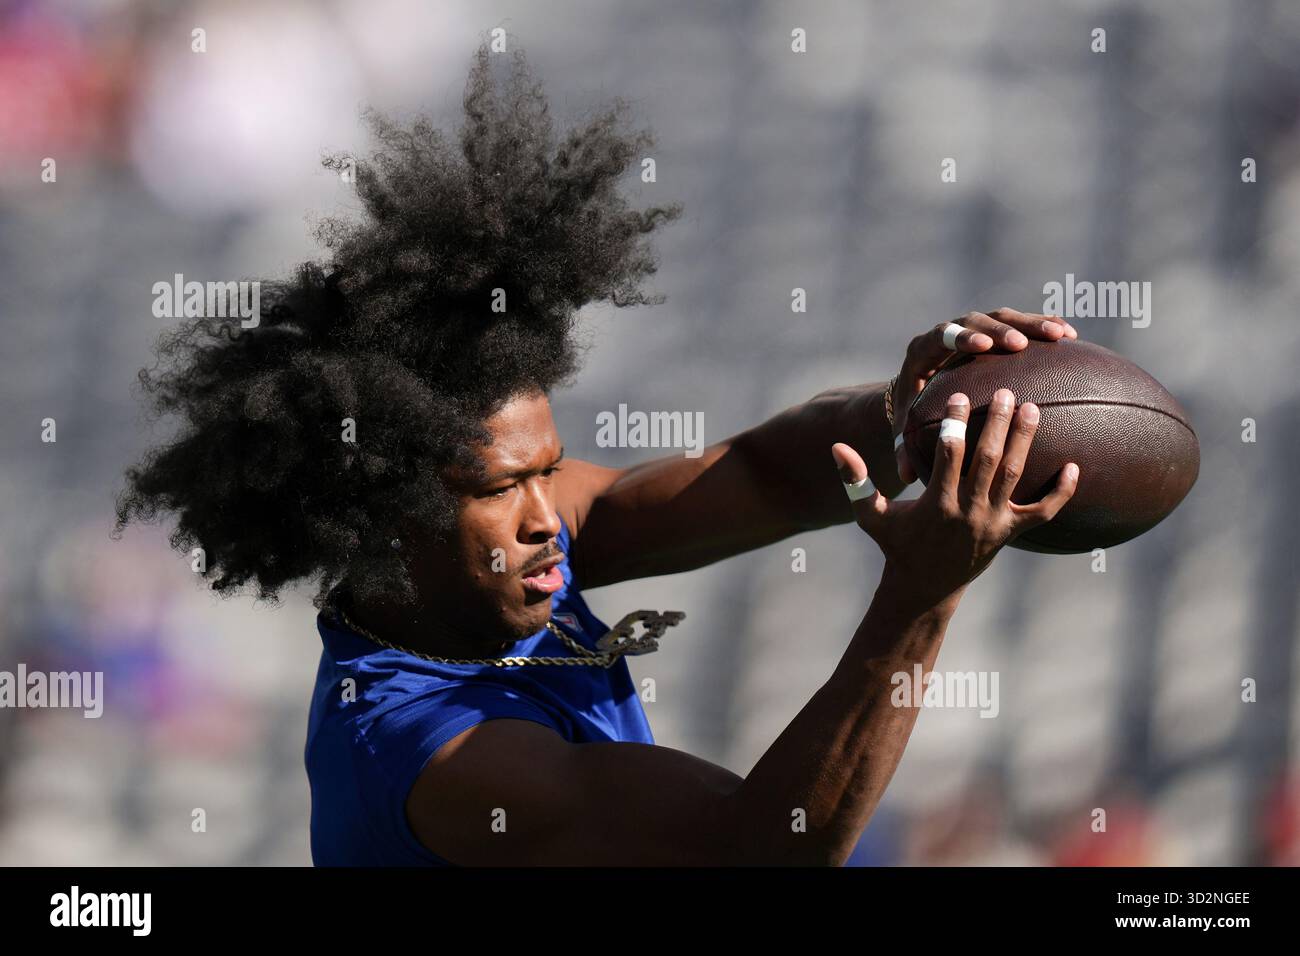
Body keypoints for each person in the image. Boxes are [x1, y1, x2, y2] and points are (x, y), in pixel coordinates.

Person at [115, 43, 1079, 866]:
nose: (547, 514)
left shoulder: (510, 543)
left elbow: (756, 474)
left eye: (547, 469)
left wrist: (910, 413)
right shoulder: (440, 760)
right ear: (381, 517)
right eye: (501, 487)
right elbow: (766, 847)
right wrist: (923, 597)